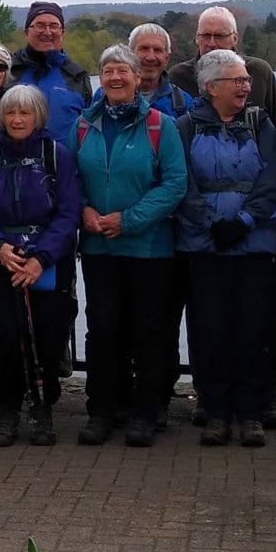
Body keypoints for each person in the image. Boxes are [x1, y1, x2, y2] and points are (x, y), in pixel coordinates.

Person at [71, 45, 187, 447]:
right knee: (103, 331)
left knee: (148, 332)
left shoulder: (160, 126)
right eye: (107, 71)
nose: (115, 78)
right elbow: (70, 178)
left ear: (139, 78)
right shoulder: (84, 125)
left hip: (149, 249)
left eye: (122, 70)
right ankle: (102, 410)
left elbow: (174, 184)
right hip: (99, 248)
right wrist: (84, 210)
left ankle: (145, 411)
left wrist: (130, 219)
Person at [172, 50, 276, 448]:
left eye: (246, 80)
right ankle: (216, 411)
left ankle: (251, 412)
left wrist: (244, 222)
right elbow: (180, 181)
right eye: (236, 80)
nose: (246, 86)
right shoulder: (185, 127)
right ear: (211, 87)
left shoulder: (261, 124)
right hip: (203, 246)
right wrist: (209, 223)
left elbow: (274, 179)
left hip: (254, 244)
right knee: (210, 329)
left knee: (254, 328)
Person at [0, 84, 82, 447]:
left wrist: (42, 257)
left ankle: (42, 408)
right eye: (11, 113)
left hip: (46, 259)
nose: (17, 119)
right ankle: (5, 410)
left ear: (38, 117)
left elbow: (68, 211)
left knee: (47, 335)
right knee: (2, 337)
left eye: (25, 113)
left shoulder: (55, 155)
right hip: (0, 259)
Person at [169, 7, 276, 123]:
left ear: (235, 38)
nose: (212, 43)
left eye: (220, 36)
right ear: (196, 38)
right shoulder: (179, 76)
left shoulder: (258, 72)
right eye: (205, 35)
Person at [9, 2, 92, 145]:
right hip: (13, 164)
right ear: (26, 32)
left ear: (62, 33)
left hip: (64, 165)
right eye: (40, 25)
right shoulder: (7, 71)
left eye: (54, 26)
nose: (47, 32)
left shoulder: (77, 77)